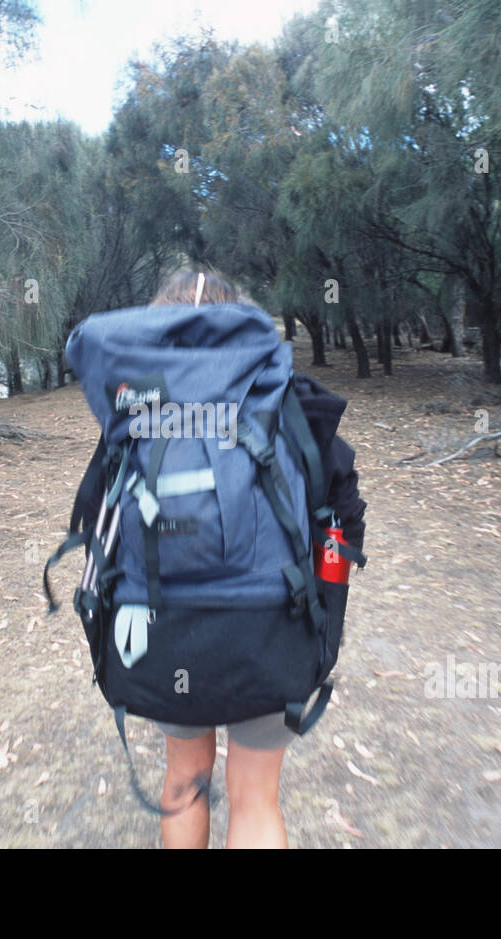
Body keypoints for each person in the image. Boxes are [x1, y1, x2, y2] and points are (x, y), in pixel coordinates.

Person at [144, 267, 366, 848]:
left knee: (185, 782)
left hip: (173, 629)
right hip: (274, 625)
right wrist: (329, 605)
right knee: (253, 799)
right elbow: (342, 512)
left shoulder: (141, 410)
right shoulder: (289, 400)